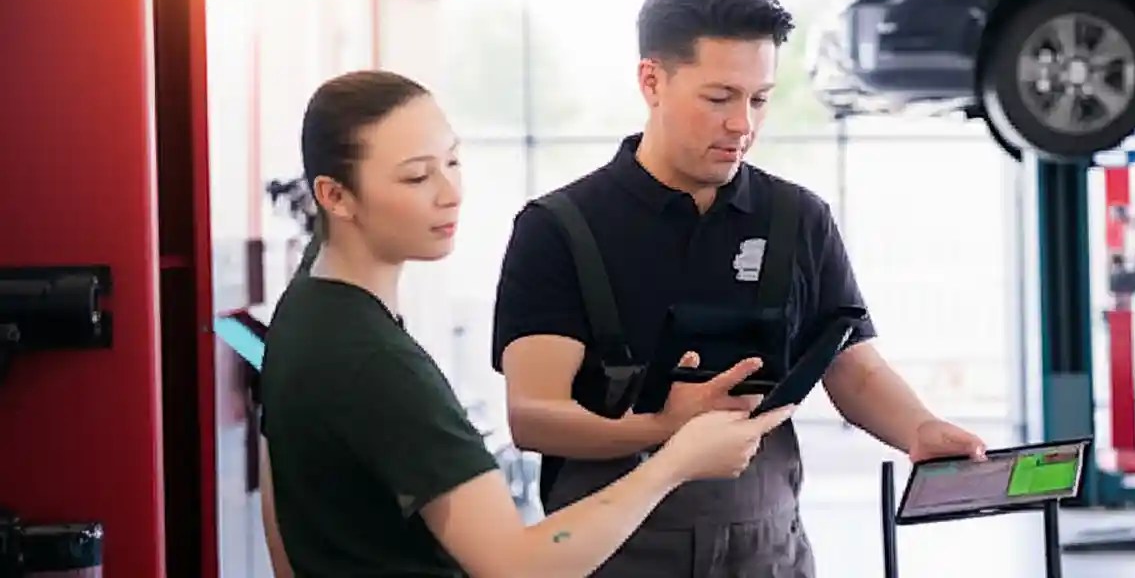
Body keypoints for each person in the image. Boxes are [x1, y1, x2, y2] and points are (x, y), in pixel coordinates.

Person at [491, 0, 988, 576]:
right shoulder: (559, 229)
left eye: (759, 99)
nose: (742, 125)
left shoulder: (798, 218)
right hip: (612, 556)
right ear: (652, 81)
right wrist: (663, 430)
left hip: (768, 555)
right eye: (719, 98)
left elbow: (853, 367)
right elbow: (534, 414)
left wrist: (919, 428)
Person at [257, 69, 798, 578]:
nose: (450, 192)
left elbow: (277, 500)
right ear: (334, 195)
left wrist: (661, 428)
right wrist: (674, 465)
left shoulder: (304, 305)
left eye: (452, 162)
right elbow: (519, 566)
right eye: (417, 176)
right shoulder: (377, 362)